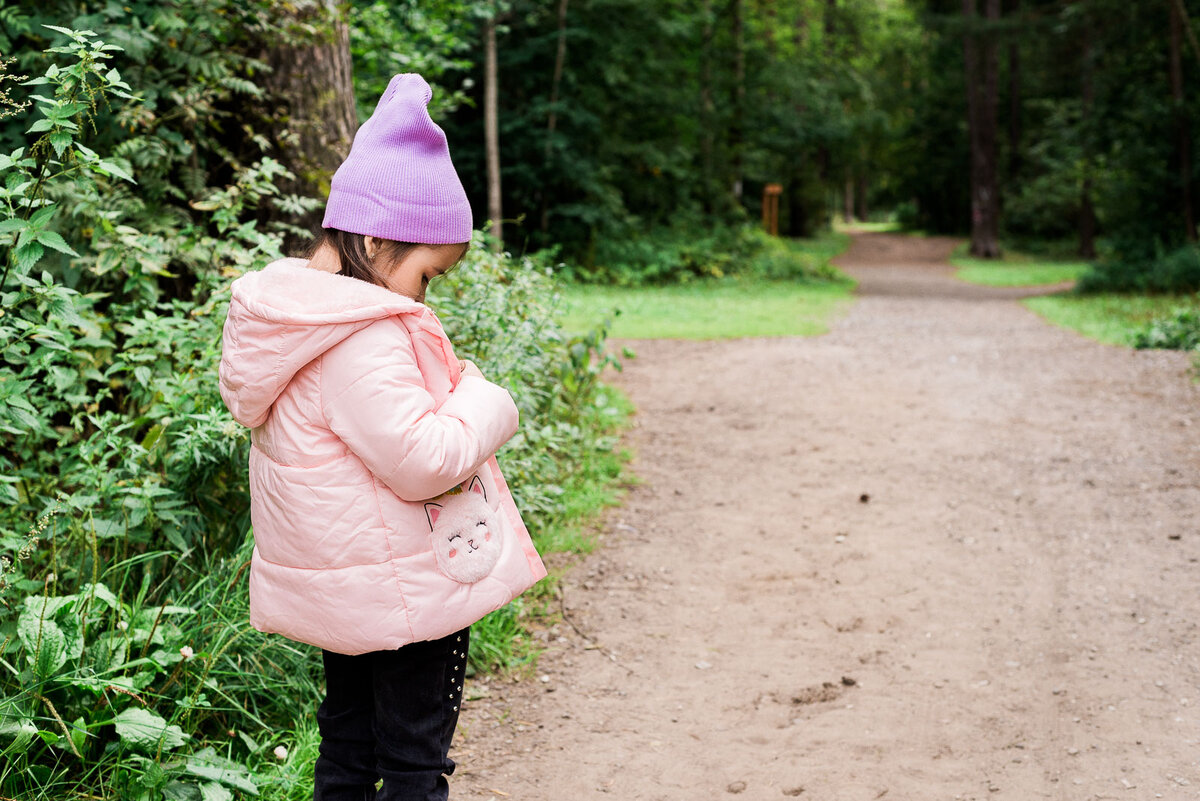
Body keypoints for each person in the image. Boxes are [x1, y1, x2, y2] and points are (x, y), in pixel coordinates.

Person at [218, 73, 547, 801]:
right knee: (412, 760)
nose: (427, 296)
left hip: (352, 591)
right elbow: (423, 459)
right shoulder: (360, 339)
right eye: (428, 275)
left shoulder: (298, 326)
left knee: (349, 742)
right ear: (373, 240)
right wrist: (484, 398)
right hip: (407, 595)